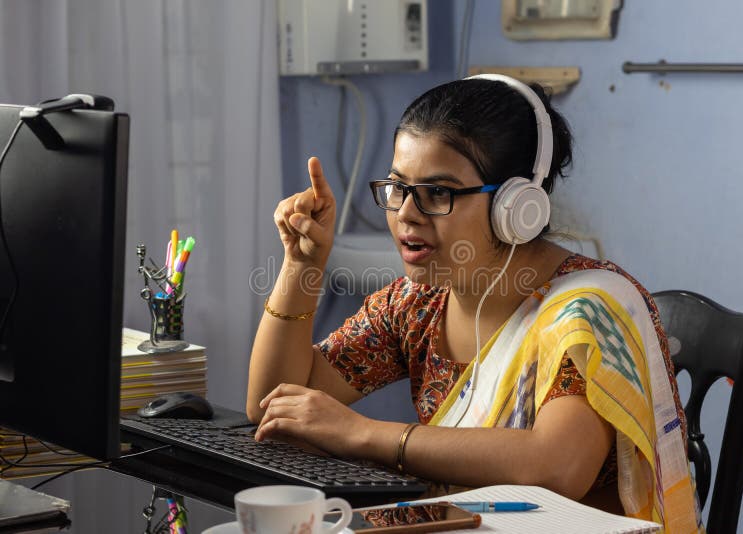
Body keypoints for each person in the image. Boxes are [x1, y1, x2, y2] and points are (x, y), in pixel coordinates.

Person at [248, 74, 701, 531]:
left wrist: (361, 433)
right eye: (397, 187)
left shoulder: (586, 312)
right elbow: (274, 405)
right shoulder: (416, 304)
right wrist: (301, 265)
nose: (405, 212)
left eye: (438, 193)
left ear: (516, 207)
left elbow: (559, 465)